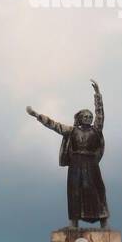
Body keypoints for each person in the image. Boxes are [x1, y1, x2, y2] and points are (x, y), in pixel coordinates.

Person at [26, 80, 110, 228]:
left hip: (91, 164)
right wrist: (36, 115)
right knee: (74, 192)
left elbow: (100, 115)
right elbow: (54, 125)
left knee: (97, 190)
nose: (89, 119)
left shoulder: (96, 130)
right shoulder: (72, 131)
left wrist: (98, 95)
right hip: (76, 164)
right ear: (79, 118)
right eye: (85, 116)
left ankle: (103, 220)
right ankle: (74, 222)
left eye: (90, 117)